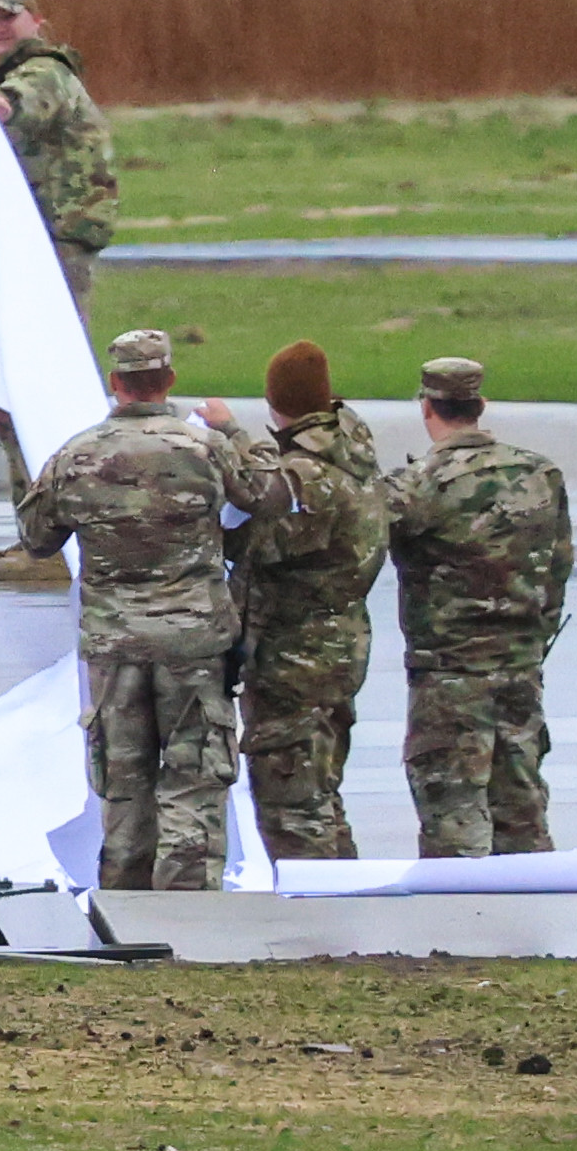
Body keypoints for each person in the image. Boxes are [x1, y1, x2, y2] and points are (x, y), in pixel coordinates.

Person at [18, 327, 269, 890]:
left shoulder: (76, 454)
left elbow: (36, 538)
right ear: (168, 381)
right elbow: (264, 494)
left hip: (115, 645)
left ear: (116, 384)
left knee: (124, 780)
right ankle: (187, 908)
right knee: (193, 778)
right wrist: (236, 429)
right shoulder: (205, 448)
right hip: (192, 643)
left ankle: (127, 904)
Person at [0, 0, 119, 587]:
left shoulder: (42, 71)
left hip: (53, 244)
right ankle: (42, 536)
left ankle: (56, 543)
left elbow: (23, 101)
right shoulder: (16, 72)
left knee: (38, 385)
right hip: (38, 245)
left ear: (36, 20)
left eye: (9, 15)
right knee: (17, 392)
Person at [199, 339, 386, 862]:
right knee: (321, 793)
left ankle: (318, 919)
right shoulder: (351, 456)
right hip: (340, 646)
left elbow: (259, 509)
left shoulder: (309, 477)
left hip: (296, 659)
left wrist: (230, 434)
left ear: (275, 402)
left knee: (291, 804)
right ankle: (344, 898)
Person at [382, 356, 574, 857]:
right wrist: (530, 637)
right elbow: (557, 567)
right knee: (523, 820)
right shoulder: (539, 474)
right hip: (519, 669)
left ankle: (460, 932)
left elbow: (353, 543)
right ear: (480, 405)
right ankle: (532, 935)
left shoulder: (419, 483)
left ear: (427, 408)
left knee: (453, 829)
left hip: (450, 678)